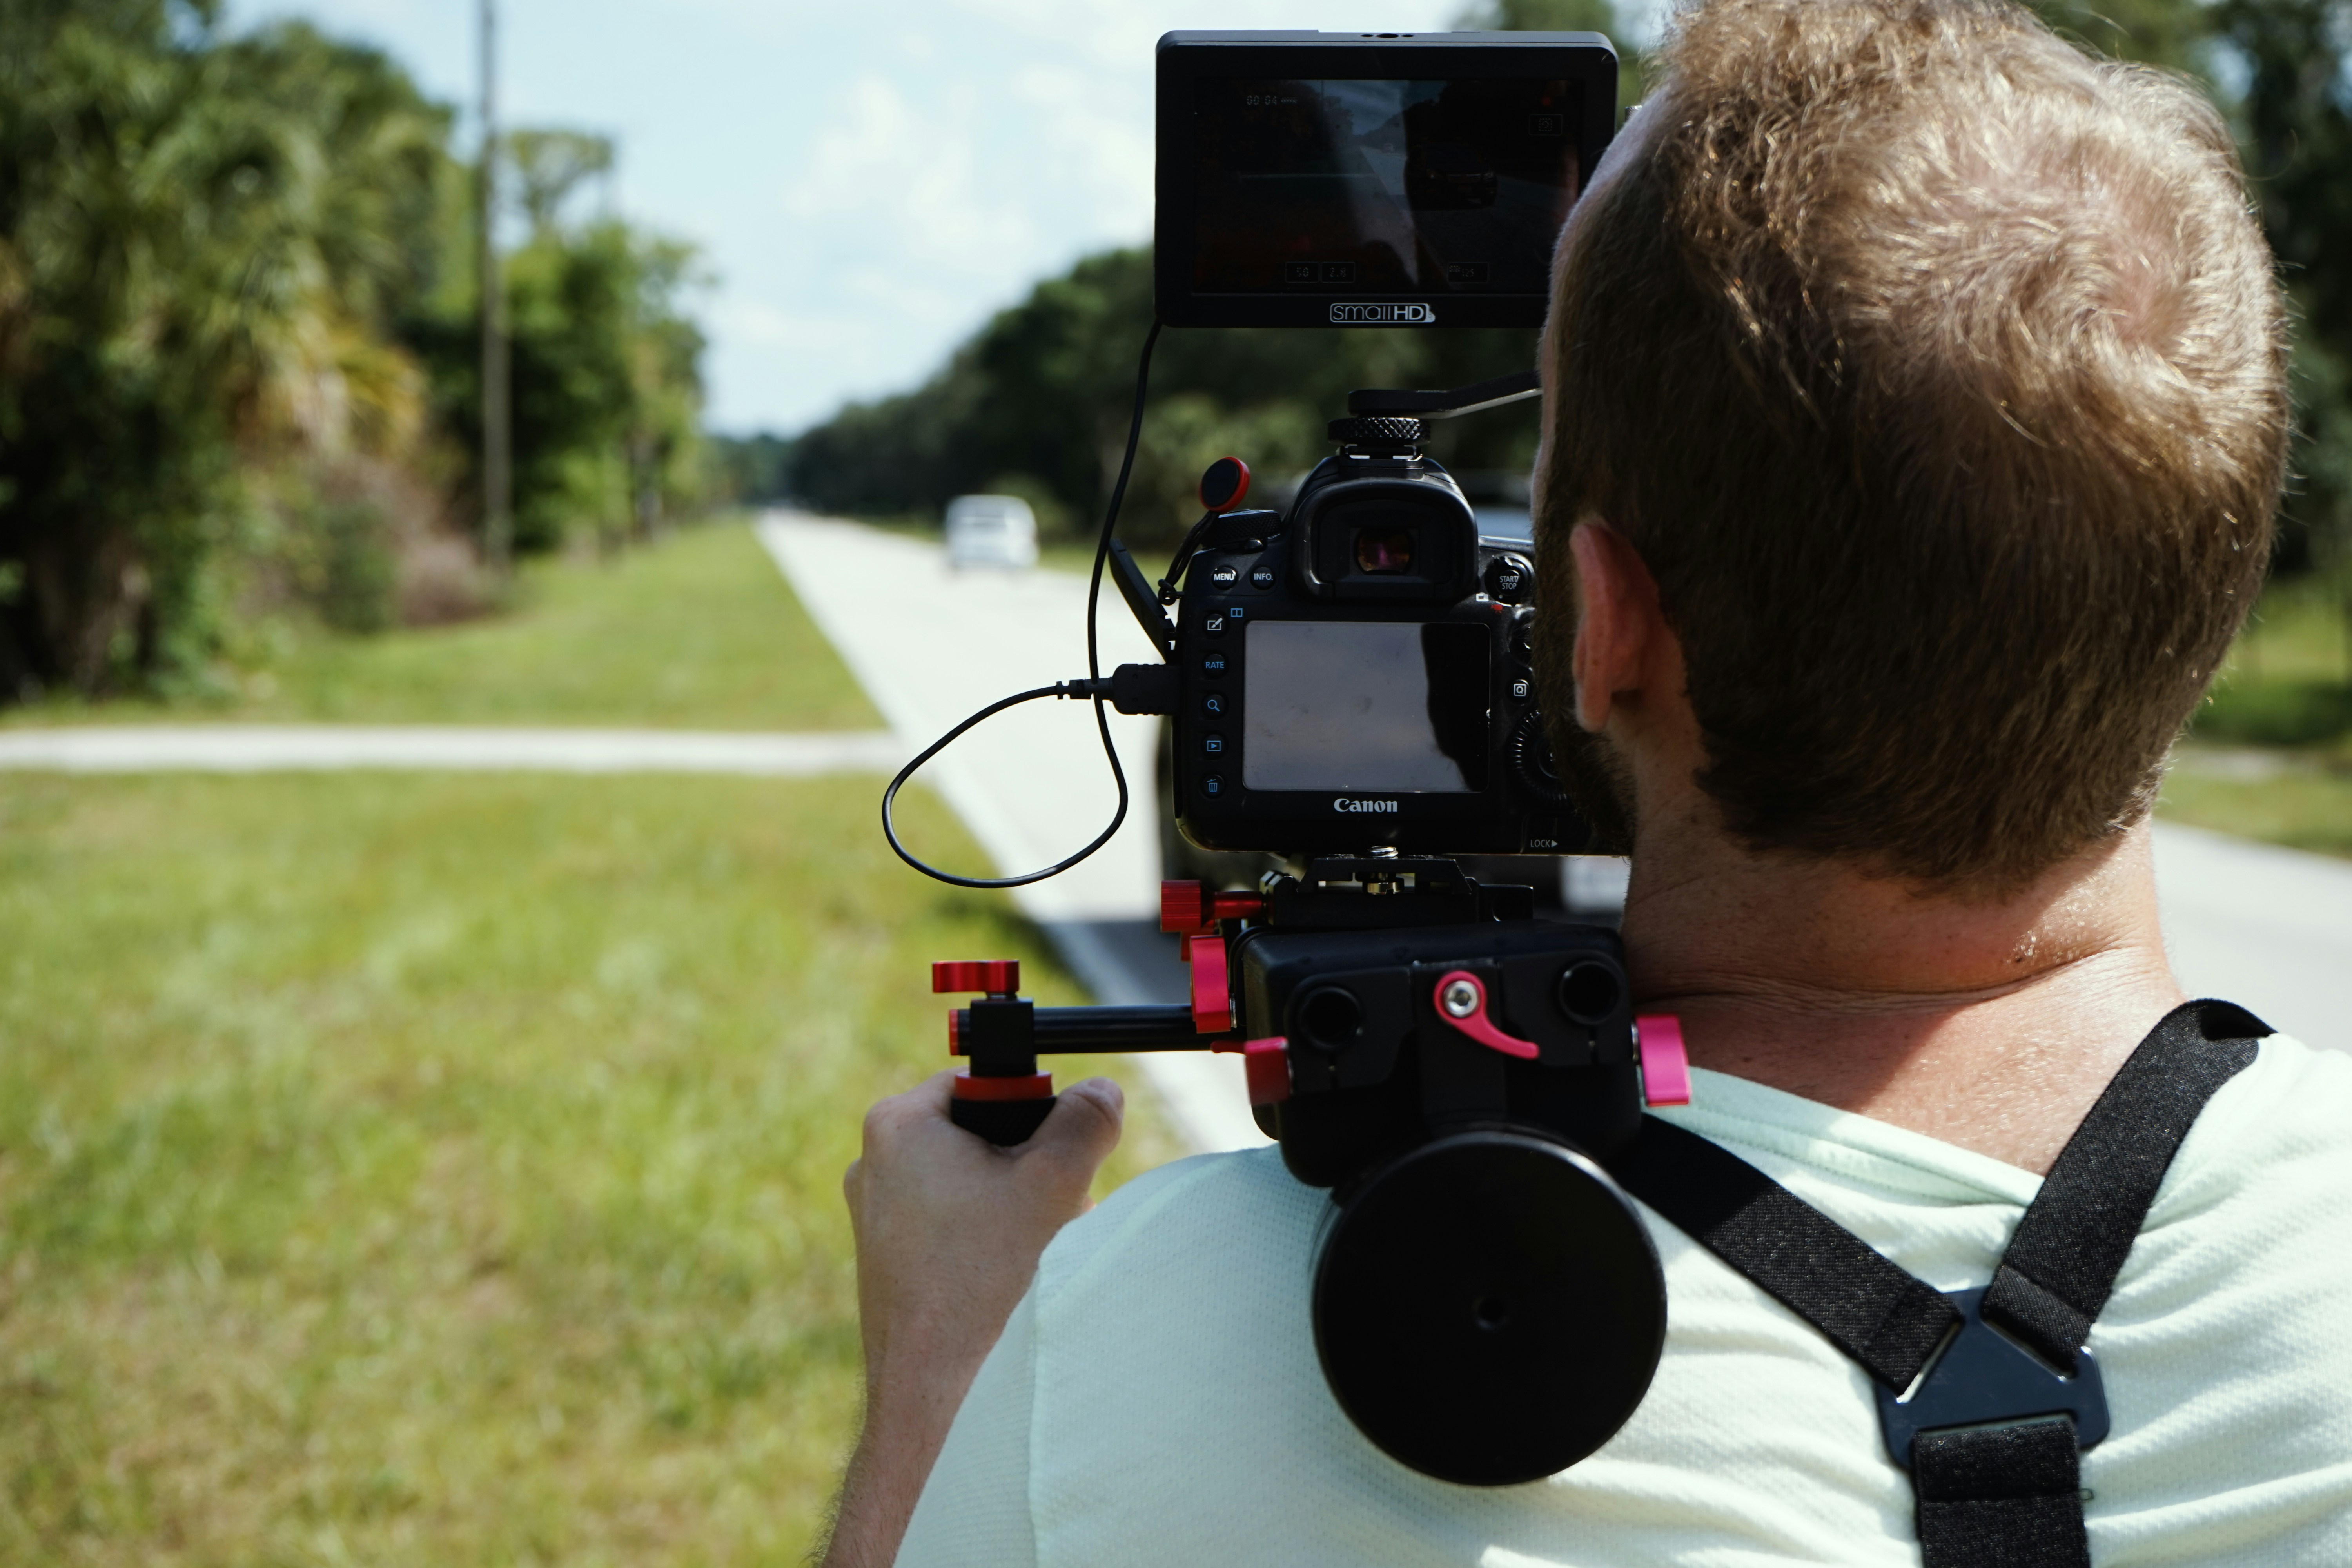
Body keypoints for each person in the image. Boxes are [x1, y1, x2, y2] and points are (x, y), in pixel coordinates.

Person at [821, 2, 2352, 1563]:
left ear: (1606, 625)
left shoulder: (1152, 1332)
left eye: (1545, 448)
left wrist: (953, 1356)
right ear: (2206, 597)